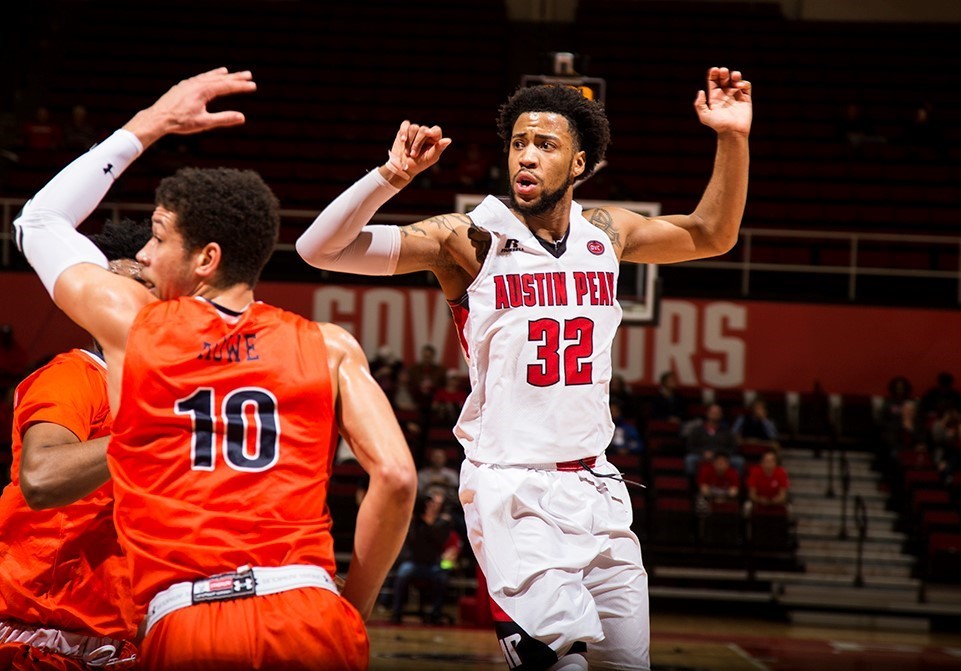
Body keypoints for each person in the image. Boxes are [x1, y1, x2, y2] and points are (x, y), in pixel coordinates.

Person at [296, 66, 751, 670]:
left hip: (598, 487)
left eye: (545, 145)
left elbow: (711, 235)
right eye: (518, 144)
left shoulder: (607, 233)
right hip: (514, 488)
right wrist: (391, 176)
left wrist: (732, 138)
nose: (526, 157)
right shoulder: (469, 239)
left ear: (580, 164)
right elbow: (318, 249)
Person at [13, 68, 417, 670]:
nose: (143, 255)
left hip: (194, 615)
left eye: (155, 237)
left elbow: (37, 222)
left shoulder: (137, 326)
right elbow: (397, 478)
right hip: (312, 611)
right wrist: (350, 605)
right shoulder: (331, 345)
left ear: (206, 257)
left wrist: (152, 124)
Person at [0, 220, 150, 671]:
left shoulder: (162, 394)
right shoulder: (74, 375)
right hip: (44, 637)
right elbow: (41, 478)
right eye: (135, 286)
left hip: (119, 638)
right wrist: (143, 435)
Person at [390, 487, 461, 625]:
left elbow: (440, 539)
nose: (432, 506)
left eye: (436, 504)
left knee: (441, 577)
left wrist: (429, 522)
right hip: (414, 562)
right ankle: (396, 612)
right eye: (430, 503)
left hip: (434, 563)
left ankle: (436, 614)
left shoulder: (444, 522)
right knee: (403, 573)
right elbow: (412, 541)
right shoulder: (416, 521)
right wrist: (418, 519)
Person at [683, 402, 743, 477]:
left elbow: (733, 448)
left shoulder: (727, 432)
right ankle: (693, 485)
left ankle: (734, 484)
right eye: (713, 412)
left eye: (717, 412)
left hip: (722, 456)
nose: (715, 414)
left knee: (739, 461)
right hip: (701, 455)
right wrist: (703, 453)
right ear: (707, 413)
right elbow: (690, 446)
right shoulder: (698, 430)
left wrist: (720, 455)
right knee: (689, 459)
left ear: (721, 415)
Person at [745, 449, 789, 513]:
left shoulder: (781, 472)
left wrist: (774, 501)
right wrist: (759, 499)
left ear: (776, 463)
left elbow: (783, 495)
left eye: (772, 461)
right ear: (761, 462)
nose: (769, 464)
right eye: (767, 461)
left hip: (776, 502)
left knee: (788, 508)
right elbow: (752, 494)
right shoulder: (754, 472)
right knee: (747, 506)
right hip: (758, 501)